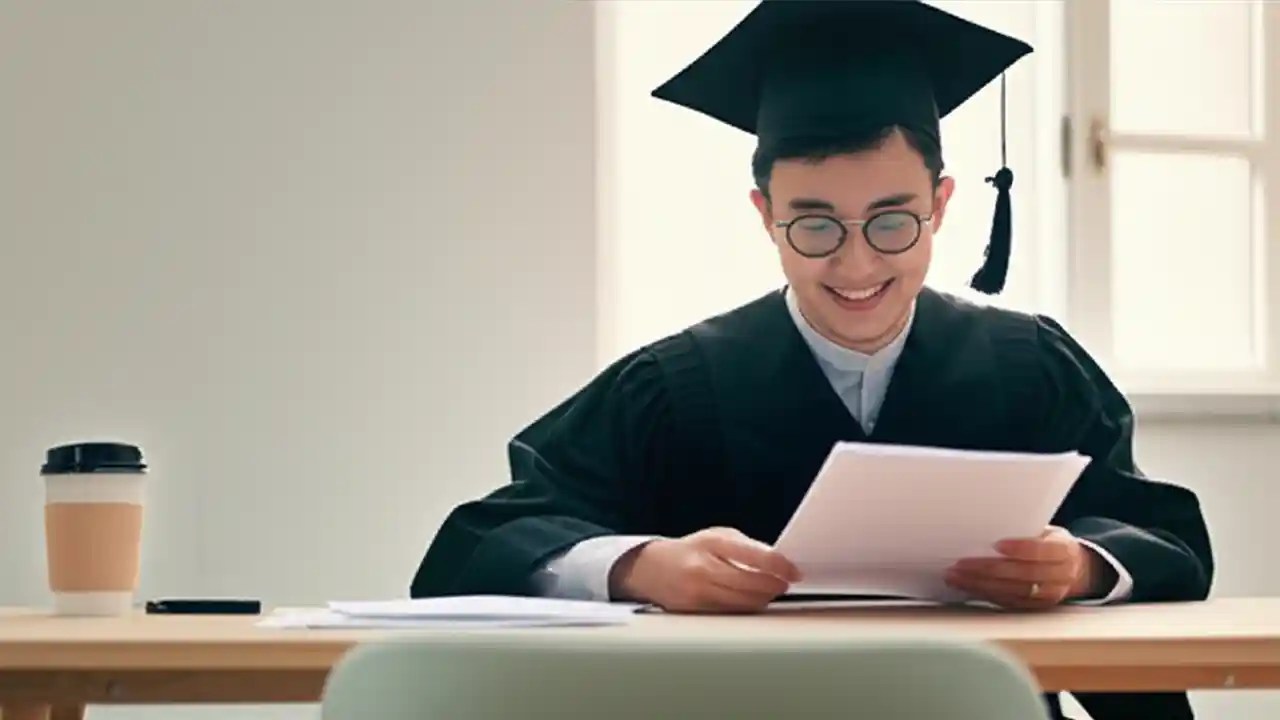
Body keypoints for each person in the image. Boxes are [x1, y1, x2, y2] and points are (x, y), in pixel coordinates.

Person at [410, 2, 1213, 718]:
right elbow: (479, 545)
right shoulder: (675, 388)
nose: (857, 265)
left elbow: (1164, 537)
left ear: (941, 205)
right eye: (815, 226)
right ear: (765, 215)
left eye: (892, 222)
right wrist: (640, 568)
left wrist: (1078, 568)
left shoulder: (1030, 367)